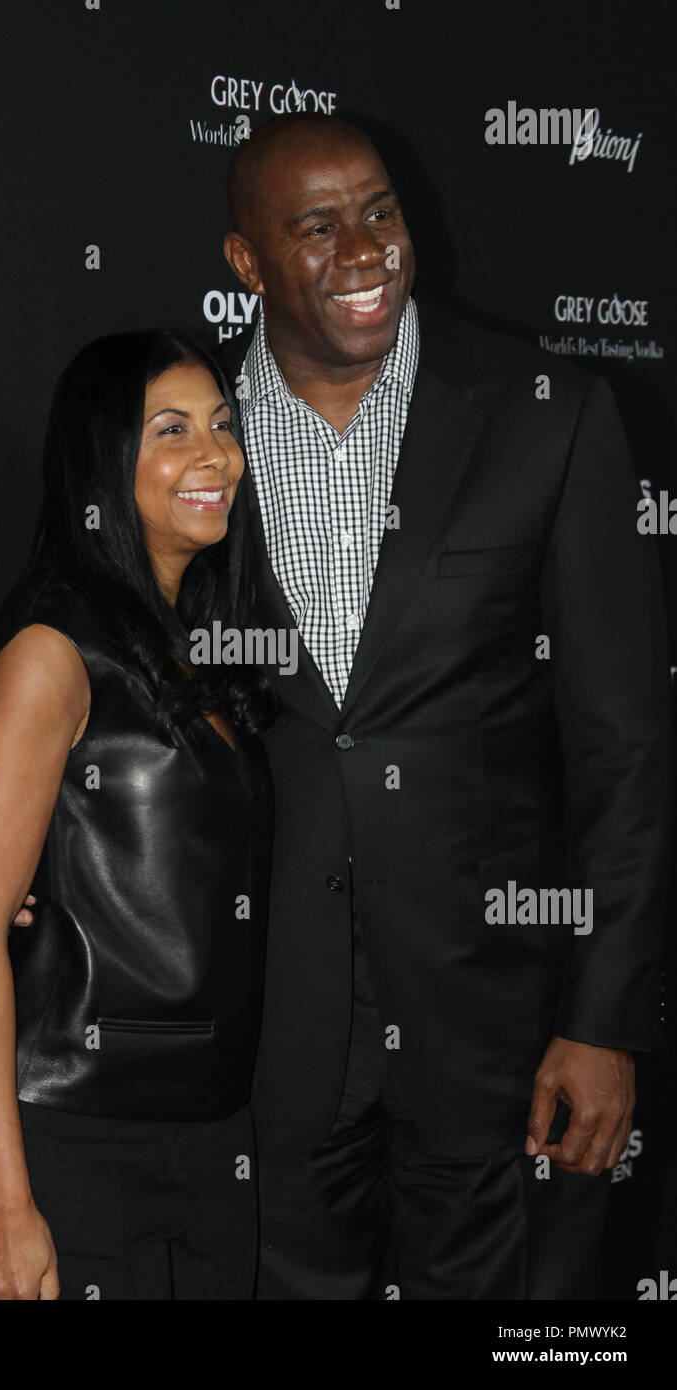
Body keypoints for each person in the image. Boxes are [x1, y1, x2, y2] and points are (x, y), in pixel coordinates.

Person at [209, 113, 671, 1299]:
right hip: (261, 1039)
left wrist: (605, 1017)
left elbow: (623, 744)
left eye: (380, 212)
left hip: (501, 1035)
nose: (363, 250)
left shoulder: (545, 411)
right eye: (315, 227)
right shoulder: (180, 435)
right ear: (246, 262)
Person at [0, 328, 276, 1300]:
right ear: (100, 460)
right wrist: (3, 1203)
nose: (213, 455)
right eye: (170, 430)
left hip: (210, 1136)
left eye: (221, 423)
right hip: (66, 1134)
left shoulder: (197, 635)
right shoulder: (50, 652)